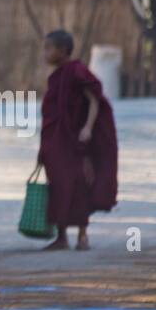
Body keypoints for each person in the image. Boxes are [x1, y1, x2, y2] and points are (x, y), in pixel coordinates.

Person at [38, 29, 119, 250]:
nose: (44, 53)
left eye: (48, 48)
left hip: (75, 138)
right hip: (57, 141)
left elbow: (94, 99)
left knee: (79, 185)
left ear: (63, 51)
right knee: (58, 185)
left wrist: (88, 128)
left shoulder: (76, 71)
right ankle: (61, 236)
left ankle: (83, 236)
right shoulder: (56, 76)